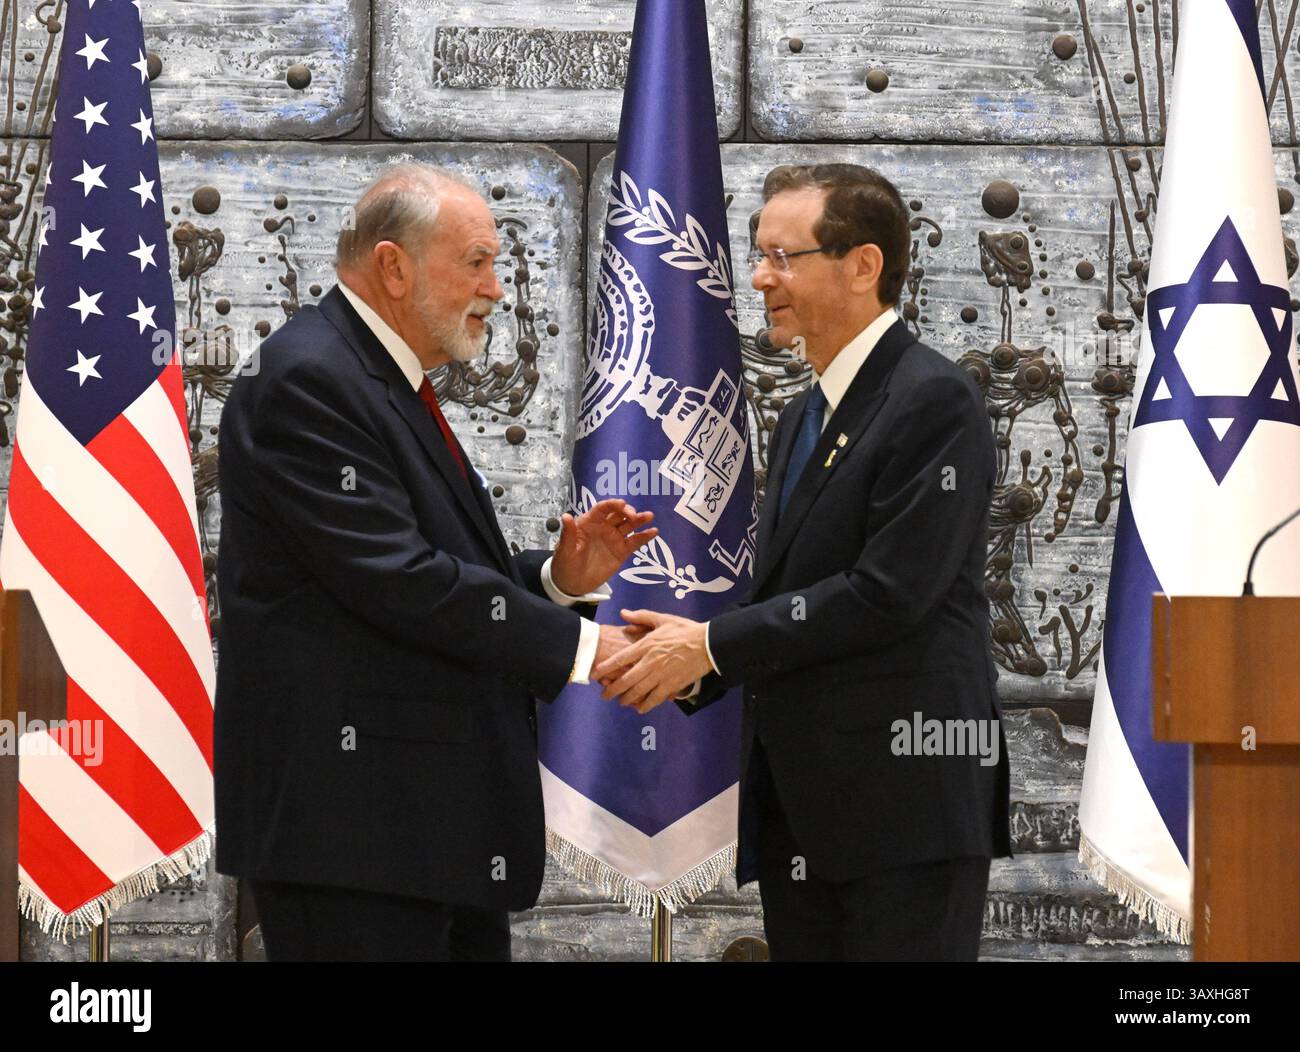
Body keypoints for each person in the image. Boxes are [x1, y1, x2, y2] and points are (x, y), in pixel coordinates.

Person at [214, 163, 655, 961]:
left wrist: (557, 582)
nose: (495, 288)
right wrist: (595, 649)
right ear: (394, 266)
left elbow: (421, 566)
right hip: (355, 839)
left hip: (425, 834)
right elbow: (399, 580)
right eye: (477, 262)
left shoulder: (374, 375)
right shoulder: (310, 378)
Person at [594, 163, 1012, 961]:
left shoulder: (934, 398)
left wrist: (709, 646)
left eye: (784, 257)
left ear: (863, 266)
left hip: (903, 807)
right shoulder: (800, 416)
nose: (758, 277)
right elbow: (794, 591)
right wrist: (682, 657)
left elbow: (888, 594)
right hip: (807, 809)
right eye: (760, 255)